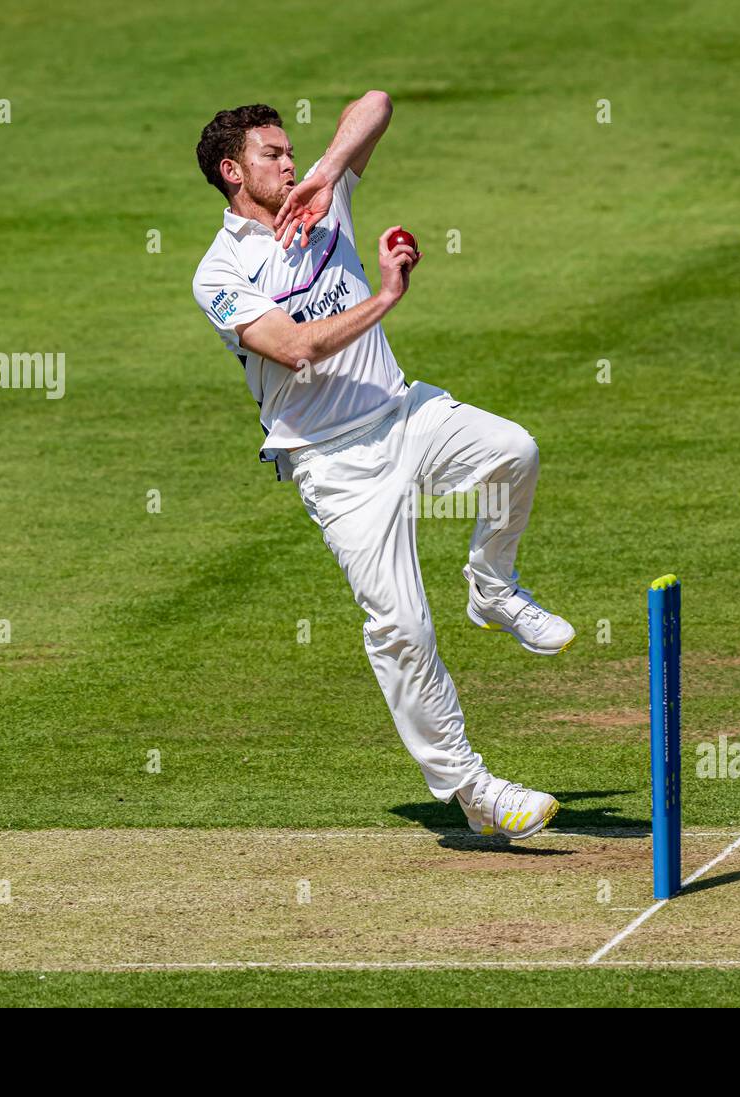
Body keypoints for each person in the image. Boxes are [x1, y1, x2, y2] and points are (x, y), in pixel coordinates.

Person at [191, 92, 574, 838]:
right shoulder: (220, 270)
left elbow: (376, 103)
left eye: (292, 149)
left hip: (401, 412)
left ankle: (493, 588)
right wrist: (388, 295)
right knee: (402, 626)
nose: (291, 161)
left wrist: (330, 171)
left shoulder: (323, 196)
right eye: (274, 154)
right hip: (333, 464)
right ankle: (475, 791)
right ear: (233, 171)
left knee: (513, 452)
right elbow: (295, 347)